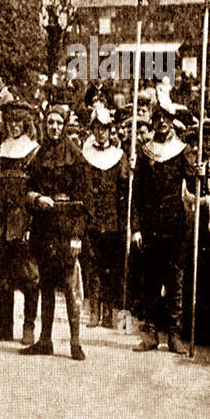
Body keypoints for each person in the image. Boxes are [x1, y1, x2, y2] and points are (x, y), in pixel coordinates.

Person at [21, 106, 89, 361]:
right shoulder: (39, 154)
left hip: (66, 228)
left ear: (65, 125)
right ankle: (45, 340)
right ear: (45, 124)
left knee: (71, 288)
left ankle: (75, 342)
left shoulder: (75, 156)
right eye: (50, 122)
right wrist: (37, 199)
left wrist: (77, 237)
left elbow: (85, 200)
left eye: (59, 123)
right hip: (44, 227)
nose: (54, 127)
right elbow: (27, 190)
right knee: (46, 285)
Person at [131, 107, 197, 354]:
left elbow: (192, 185)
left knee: (175, 281)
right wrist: (136, 228)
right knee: (149, 280)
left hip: (175, 224)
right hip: (149, 225)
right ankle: (149, 334)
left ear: (171, 122)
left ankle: (175, 335)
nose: (161, 123)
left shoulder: (182, 151)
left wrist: (199, 172)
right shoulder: (145, 151)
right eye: (157, 119)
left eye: (165, 119)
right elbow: (136, 194)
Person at [0, 98, 40, 345]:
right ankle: (5, 326)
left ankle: (28, 327)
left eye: (18, 122)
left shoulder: (34, 150)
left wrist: (31, 225)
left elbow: (37, 190)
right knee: (2, 276)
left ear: (26, 123)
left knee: (29, 276)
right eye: (10, 122)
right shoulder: (0, 150)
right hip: (3, 222)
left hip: (25, 221)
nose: (14, 126)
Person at [81, 102, 127, 329]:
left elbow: (124, 190)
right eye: (96, 128)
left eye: (104, 128)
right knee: (92, 267)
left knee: (111, 268)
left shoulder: (119, 156)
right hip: (91, 220)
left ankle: (110, 312)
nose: (100, 132)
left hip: (112, 222)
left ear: (110, 130)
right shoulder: (86, 155)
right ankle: (94, 311)